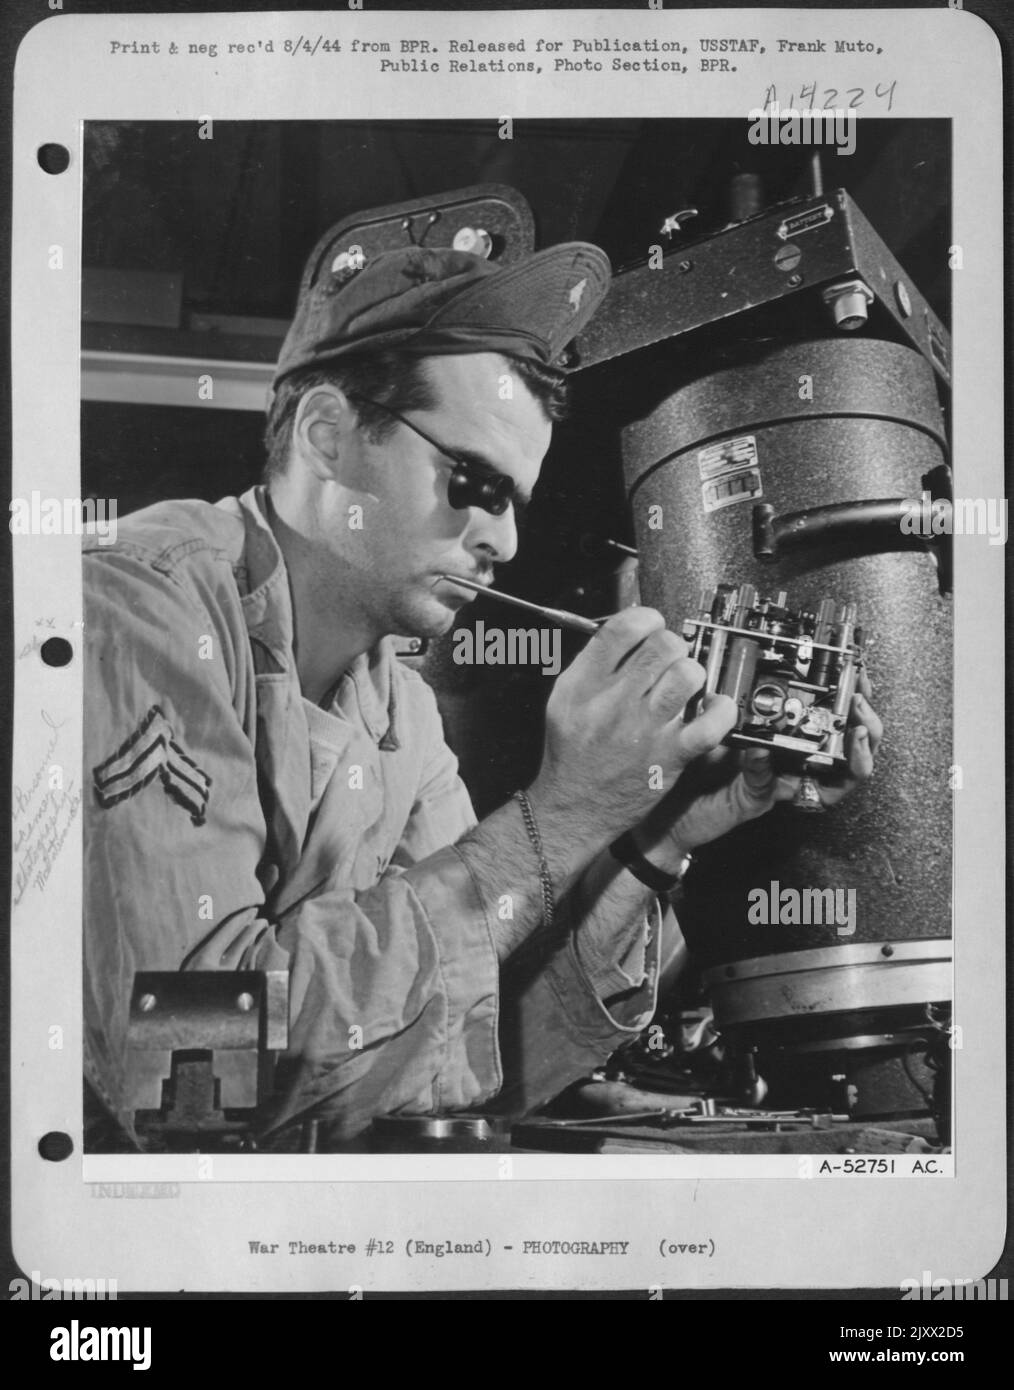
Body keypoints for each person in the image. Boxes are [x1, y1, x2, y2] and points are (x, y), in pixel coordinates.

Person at [83, 236, 882, 1149]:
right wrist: (565, 808)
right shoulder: (136, 607)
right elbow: (188, 1081)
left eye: (516, 504)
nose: (501, 538)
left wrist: (658, 837)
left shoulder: (402, 711)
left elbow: (475, 1050)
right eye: (474, 482)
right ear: (327, 436)